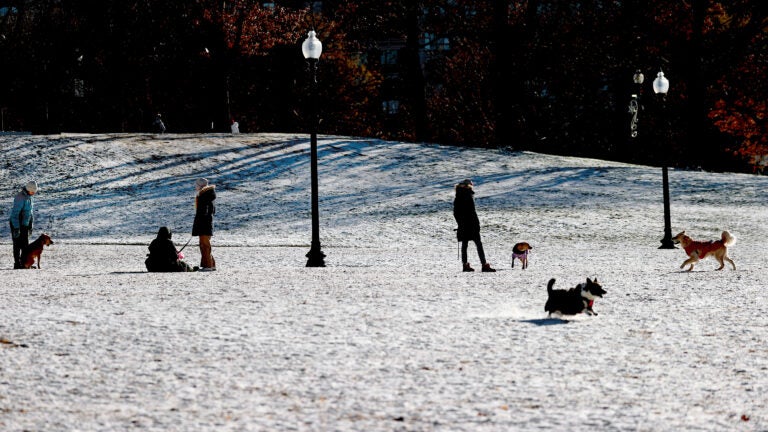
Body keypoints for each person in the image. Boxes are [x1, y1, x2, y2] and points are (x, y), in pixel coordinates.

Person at [453, 178, 496, 272]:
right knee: (479, 244)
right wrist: (476, 224)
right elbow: (472, 212)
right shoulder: (468, 195)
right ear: (469, 186)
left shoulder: (457, 196)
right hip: (472, 224)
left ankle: (465, 265)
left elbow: (455, 213)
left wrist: (460, 223)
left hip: (463, 225)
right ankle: (484, 265)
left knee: (465, 245)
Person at [9, 181, 37, 269]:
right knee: (17, 244)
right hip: (17, 222)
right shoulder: (20, 197)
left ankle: (25, 263)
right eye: (33, 191)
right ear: (29, 189)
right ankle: (17, 264)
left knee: (25, 245)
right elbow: (15, 214)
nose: (34, 193)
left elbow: (30, 213)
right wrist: (16, 228)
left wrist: (30, 225)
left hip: (25, 223)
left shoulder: (30, 197)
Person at [192, 178, 216, 271]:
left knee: (204, 245)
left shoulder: (204, 196)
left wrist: (198, 224)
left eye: (196, 185)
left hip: (204, 224)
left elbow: (202, 213)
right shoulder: (208, 195)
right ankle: (211, 264)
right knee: (205, 245)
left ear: (200, 186)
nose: (195, 186)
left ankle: (208, 266)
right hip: (207, 223)